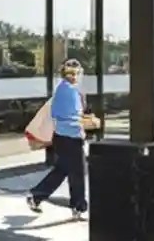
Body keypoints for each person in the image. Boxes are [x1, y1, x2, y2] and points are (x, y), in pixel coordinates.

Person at [27, 60, 89, 221]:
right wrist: (87, 124)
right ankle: (78, 206)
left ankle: (36, 196)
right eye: (74, 73)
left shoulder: (60, 89)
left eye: (77, 73)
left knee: (62, 170)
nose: (76, 76)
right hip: (71, 138)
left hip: (61, 137)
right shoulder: (71, 92)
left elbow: (56, 114)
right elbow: (74, 118)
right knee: (78, 173)